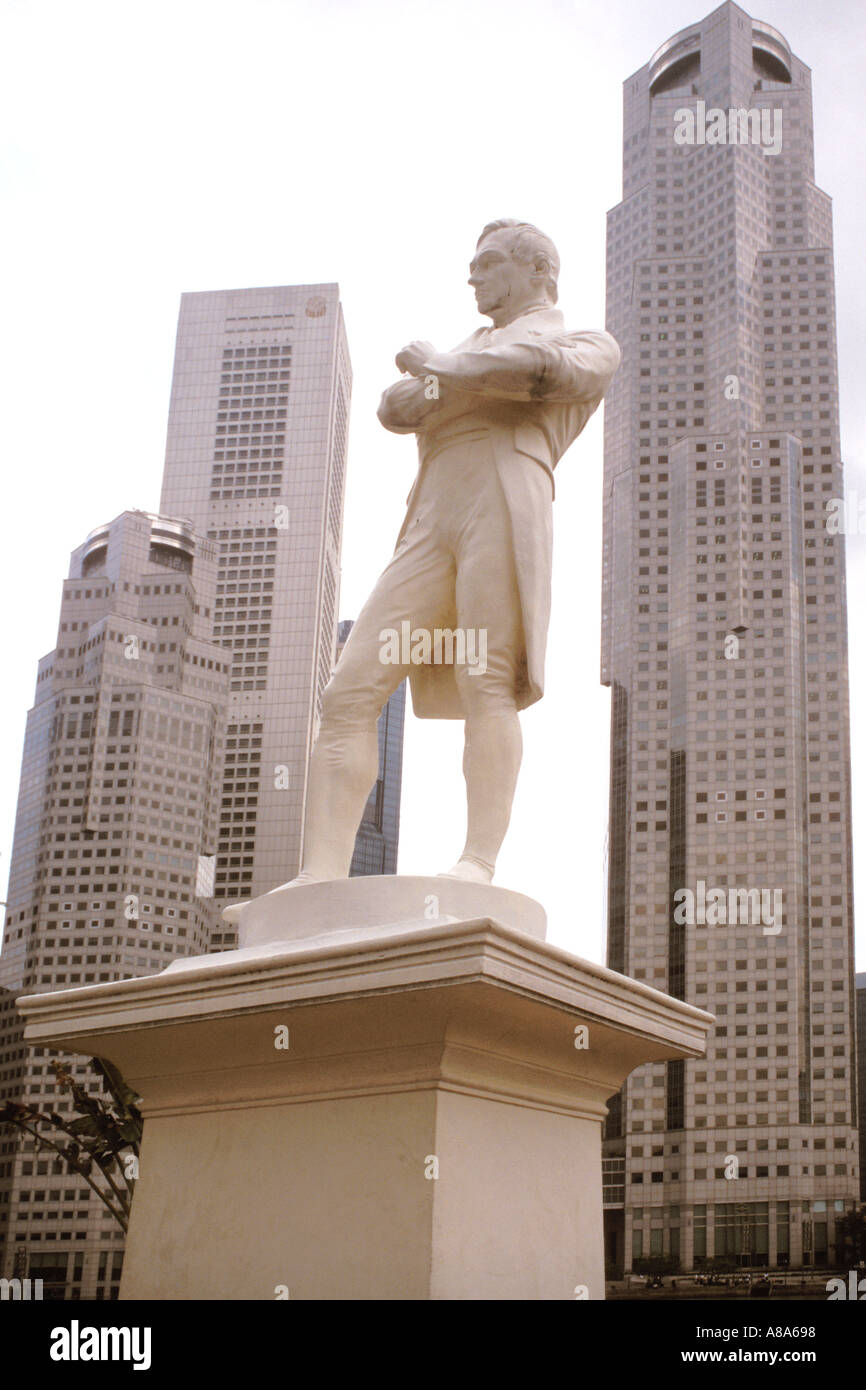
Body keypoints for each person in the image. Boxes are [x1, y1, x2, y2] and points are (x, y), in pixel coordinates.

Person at [224, 219, 620, 923]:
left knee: (487, 677)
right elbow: (393, 407)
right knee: (348, 690)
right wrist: (454, 376)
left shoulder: (585, 340)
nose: (473, 277)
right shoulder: (465, 352)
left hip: (504, 498)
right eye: (472, 265)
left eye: (489, 263)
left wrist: (443, 371)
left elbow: (539, 373)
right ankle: (319, 874)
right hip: (431, 513)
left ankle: (478, 860)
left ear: (537, 272)